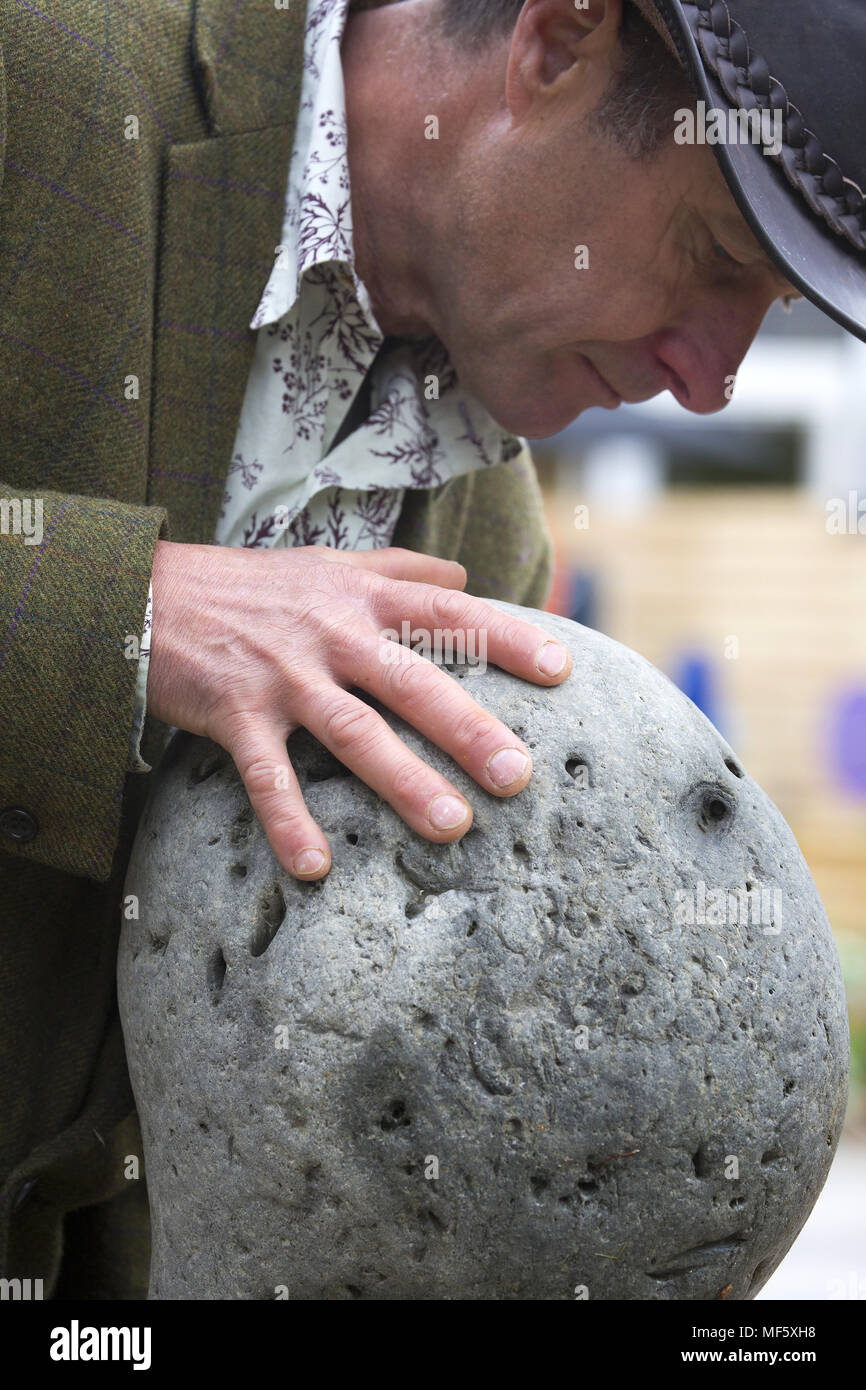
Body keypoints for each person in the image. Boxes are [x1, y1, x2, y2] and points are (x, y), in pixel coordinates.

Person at [0, 0, 863, 1298]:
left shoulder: (486, 540)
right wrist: (133, 608)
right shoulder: (42, 65)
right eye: (712, 251)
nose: (709, 378)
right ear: (556, 43)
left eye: (769, 305)